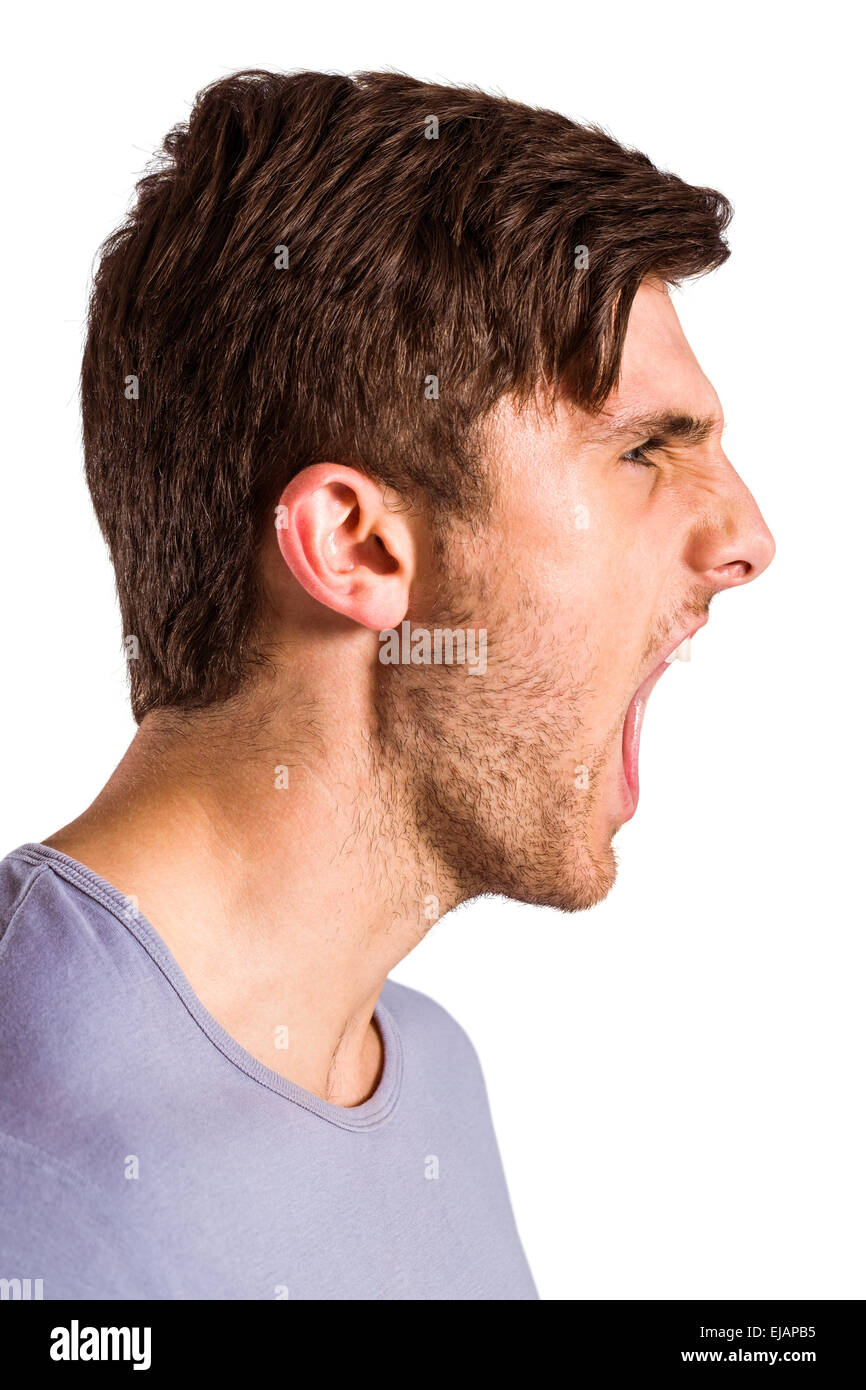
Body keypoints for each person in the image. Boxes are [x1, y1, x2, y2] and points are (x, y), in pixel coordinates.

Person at [0, 69, 773, 1300]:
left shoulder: (418, 1070)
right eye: (640, 450)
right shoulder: (34, 1179)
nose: (745, 537)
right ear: (355, 547)